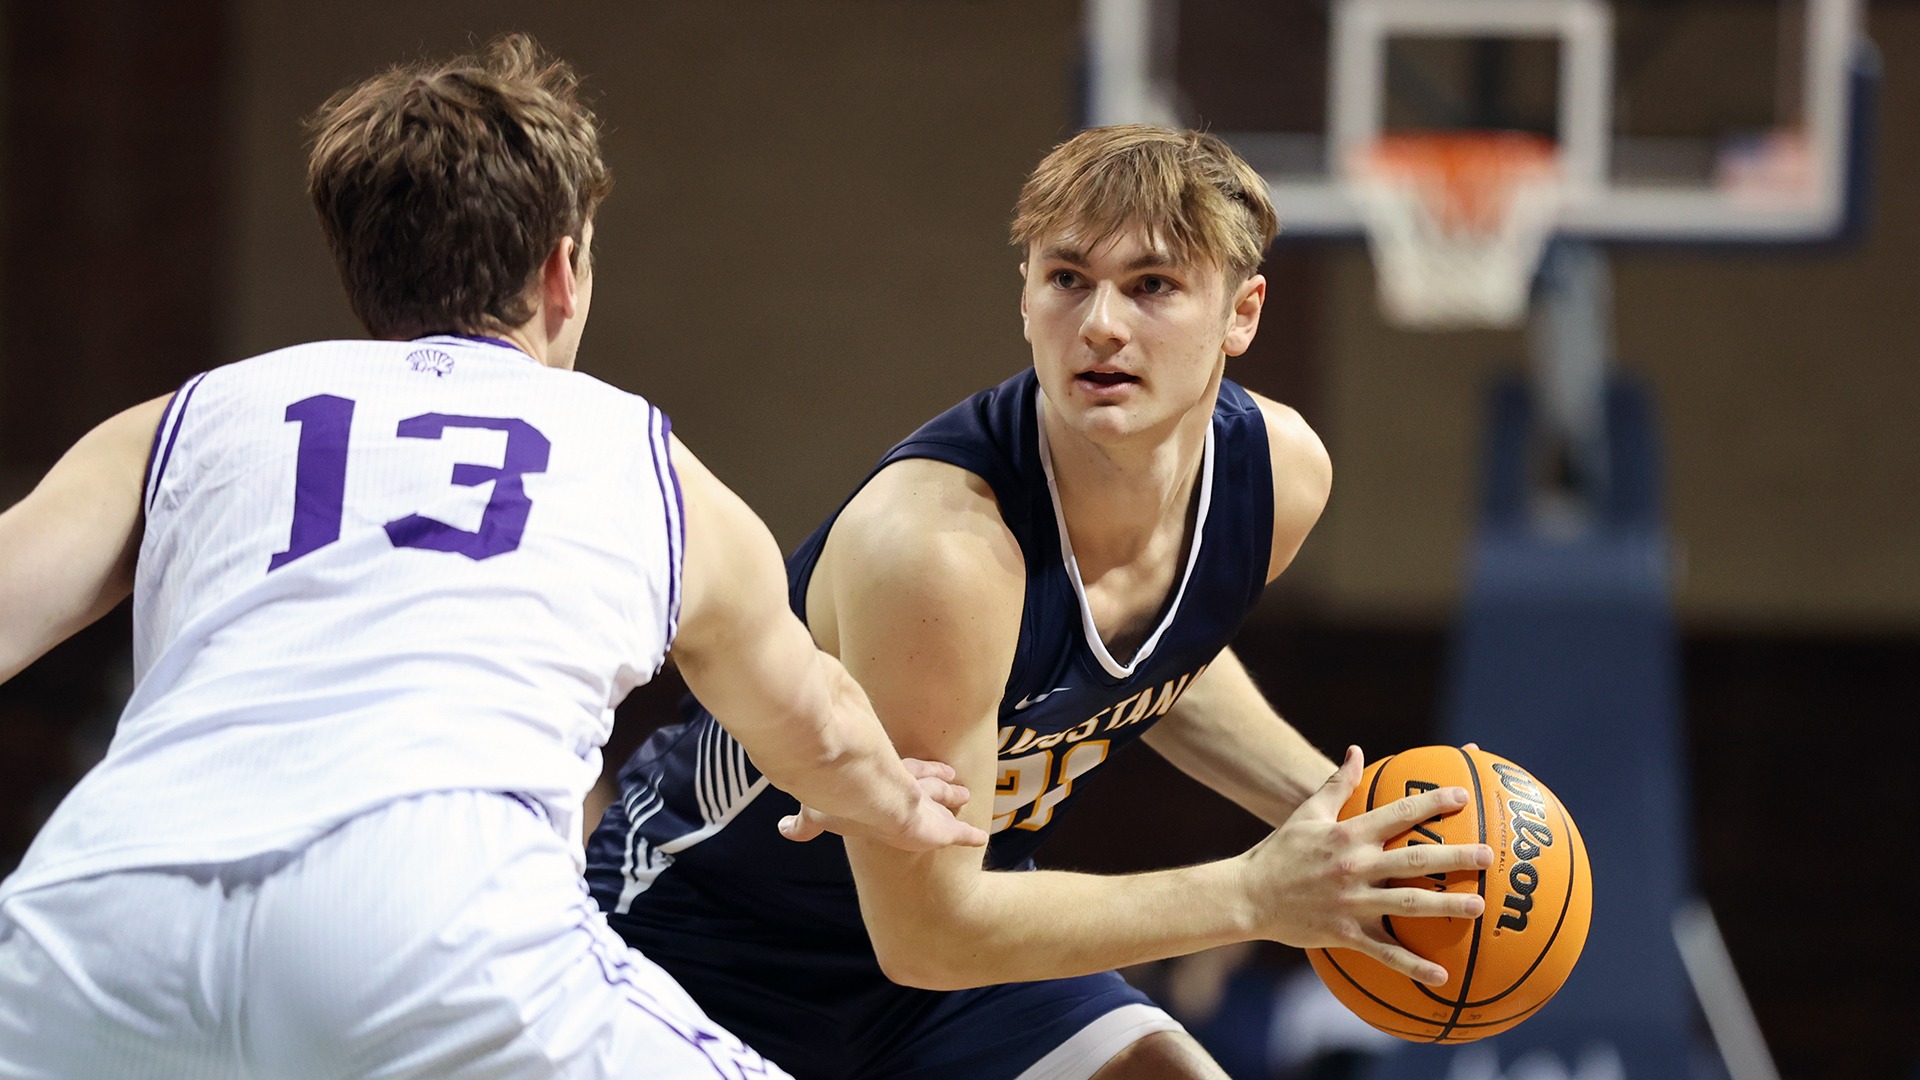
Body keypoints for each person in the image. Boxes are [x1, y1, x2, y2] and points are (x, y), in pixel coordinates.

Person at [0, 34, 984, 1080]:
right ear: (564, 268)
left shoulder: (184, 419)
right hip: (423, 908)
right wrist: (902, 803)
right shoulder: (641, 456)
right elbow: (817, 725)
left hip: (97, 915)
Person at [584, 124, 1495, 1080]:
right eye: (1067, 278)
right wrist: (1257, 894)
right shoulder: (942, 552)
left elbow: (1155, 659)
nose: (1102, 322)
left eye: (1153, 285)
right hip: (710, 950)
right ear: (1024, 295)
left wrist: (1341, 823)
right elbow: (927, 934)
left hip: (963, 962)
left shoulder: (1280, 478)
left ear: (1242, 313)